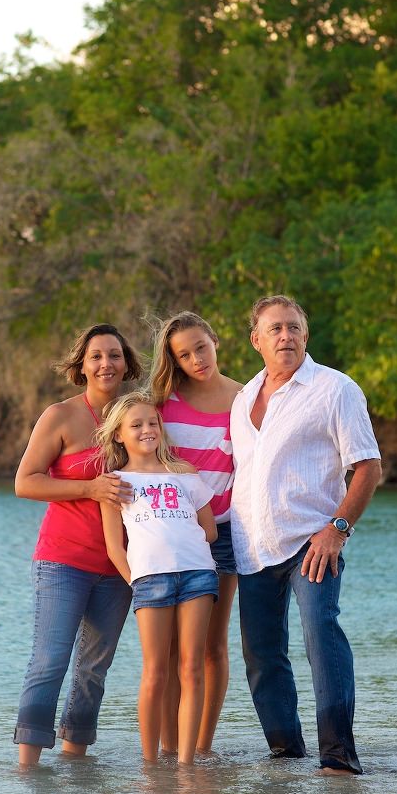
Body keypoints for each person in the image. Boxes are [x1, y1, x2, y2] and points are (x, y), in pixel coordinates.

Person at [230, 295, 382, 775]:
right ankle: (285, 756)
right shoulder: (241, 399)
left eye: (294, 327)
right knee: (262, 656)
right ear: (256, 340)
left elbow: (368, 466)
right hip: (251, 546)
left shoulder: (334, 389)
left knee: (322, 638)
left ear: (306, 335)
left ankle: (338, 756)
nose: (285, 337)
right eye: (274, 329)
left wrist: (337, 530)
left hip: (311, 544)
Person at [13, 323, 144, 767]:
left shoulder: (141, 417)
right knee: (50, 660)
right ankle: (27, 770)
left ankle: (74, 765)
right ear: (82, 365)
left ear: (127, 364)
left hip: (120, 564)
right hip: (62, 559)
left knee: (93, 670)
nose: (106, 363)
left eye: (114, 355)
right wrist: (89, 489)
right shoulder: (60, 416)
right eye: (96, 356)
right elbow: (25, 482)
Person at [96, 391, 218, 765]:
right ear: (119, 434)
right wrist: (137, 580)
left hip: (198, 575)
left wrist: (183, 543)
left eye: (153, 422)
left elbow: (209, 530)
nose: (147, 429)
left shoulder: (185, 474)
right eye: (136, 425)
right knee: (155, 671)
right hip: (150, 581)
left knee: (192, 667)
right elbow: (115, 547)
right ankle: (149, 764)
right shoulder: (114, 482)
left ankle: (185, 764)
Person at [149, 312, 241, 755]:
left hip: (223, 534)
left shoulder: (246, 399)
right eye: (183, 355)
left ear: (215, 340)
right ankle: (169, 753)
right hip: (168, 536)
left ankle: (202, 750)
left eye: (200, 347)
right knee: (166, 653)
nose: (195, 359)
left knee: (211, 647)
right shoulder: (163, 403)